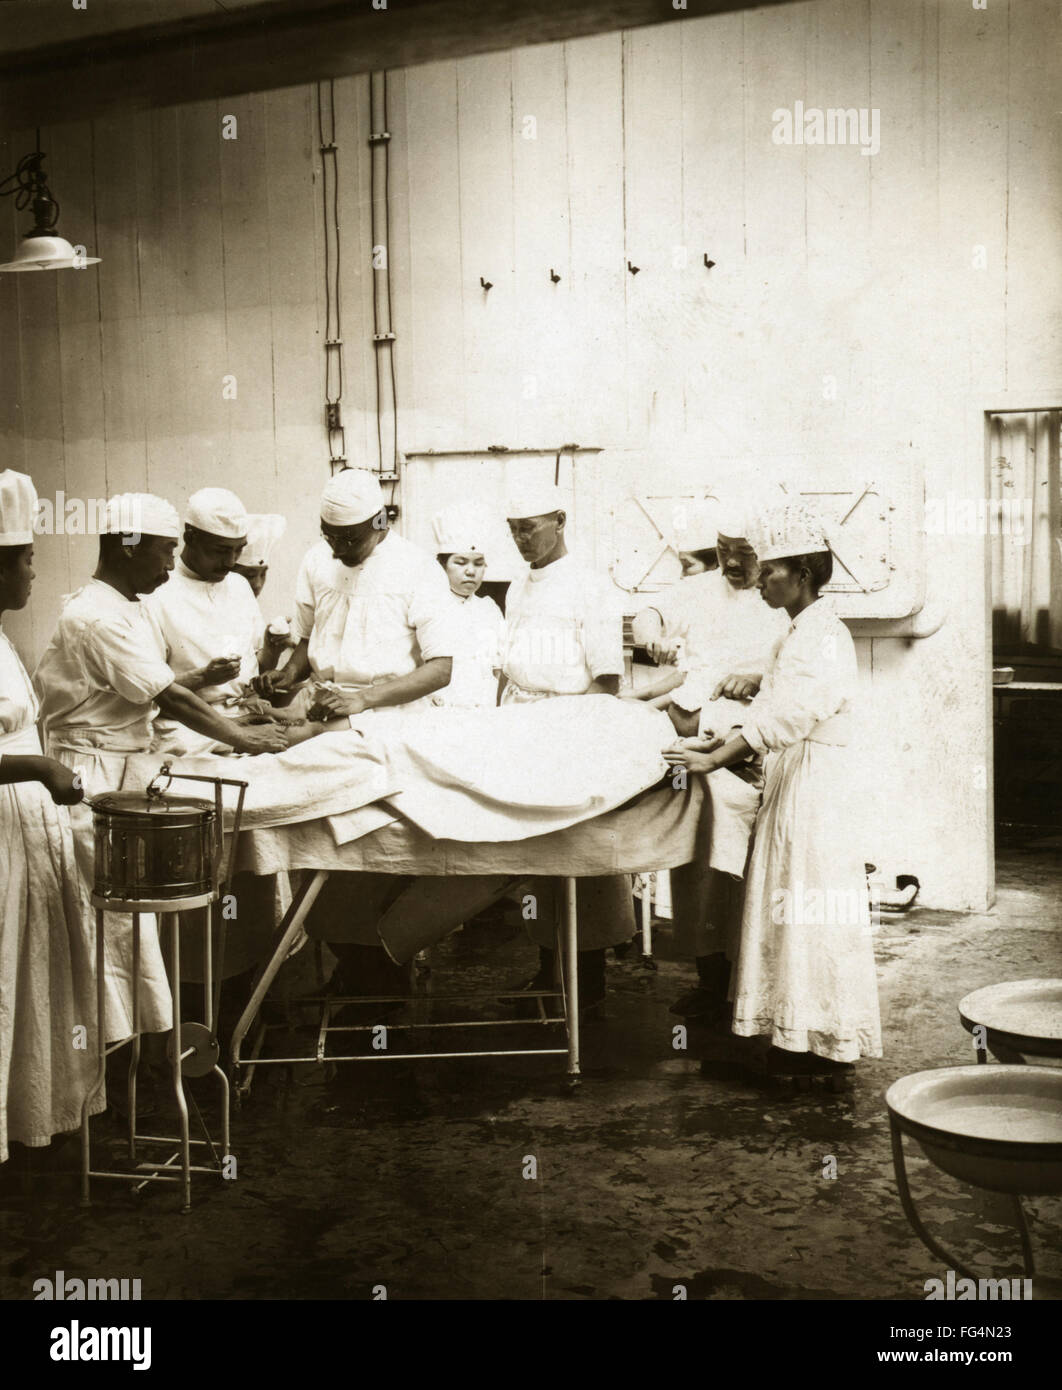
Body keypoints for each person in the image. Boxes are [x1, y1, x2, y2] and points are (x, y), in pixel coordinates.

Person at [33, 492, 288, 1044]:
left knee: (132, 930)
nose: (170, 565)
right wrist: (247, 740)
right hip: (93, 778)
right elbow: (167, 698)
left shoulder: (124, 608)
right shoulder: (96, 616)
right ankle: (120, 1053)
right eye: (163, 552)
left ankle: (146, 1042)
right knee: (112, 928)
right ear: (127, 548)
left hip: (124, 765)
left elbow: (156, 691)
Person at [663, 502, 882, 1077]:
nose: (759, 578)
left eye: (771, 570)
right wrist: (719, 743)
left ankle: (822, 1048)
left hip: (814, 783)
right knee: (793, 906)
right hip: (797, 775)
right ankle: (798, 1039)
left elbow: (784, 719)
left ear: (803, 575)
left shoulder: (821, 635)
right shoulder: (802, 630)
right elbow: (768, 709)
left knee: (808, 905)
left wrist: (712, 760)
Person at [631, 506, 787, 1024]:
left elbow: (799, 676)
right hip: (693, 744)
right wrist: (654, 632)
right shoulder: (700, 590)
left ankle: (747, 982)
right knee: (695, 861)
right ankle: (709, 977)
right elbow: (650, 614)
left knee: (740, 865)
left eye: (744, 553)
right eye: (724, 552)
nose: (734, 564)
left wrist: (758, 677)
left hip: (747, 749)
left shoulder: (780, 598)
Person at [0, 469, 103, 1162]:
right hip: (6, 823)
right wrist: (36, 767)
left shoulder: (3, 639)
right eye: (26, 558)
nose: (35, 572)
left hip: (24, 825)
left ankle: (25, 1110)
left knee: (28, 972)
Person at [499, 483, 633, 1011]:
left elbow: (607, 680)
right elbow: (506, 666)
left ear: (559, 520)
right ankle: (548, 967)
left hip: (572, 727)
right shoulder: (516, 588)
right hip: (522, 723)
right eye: (513, 530)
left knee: (578, 853)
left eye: (528, 528)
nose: (521, 539)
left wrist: (580, 742)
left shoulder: (592, 586)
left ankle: (587, 978)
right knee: (537, 858)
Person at [255, 469, 455, 724]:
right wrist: (289, 672)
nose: (337, 550)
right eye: (329, 537)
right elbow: (309, 639)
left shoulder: (418, 568)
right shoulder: (316, 560)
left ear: (380, 522)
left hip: (390, 713)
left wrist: (363, 698)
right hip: (320, 705)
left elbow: (440, 670)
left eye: (349, 540)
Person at [143, 487, 267, 757]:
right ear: (190, 537)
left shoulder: (239, 586)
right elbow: (148, 692)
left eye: (238, 550)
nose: (231, 561)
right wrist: (204, 678)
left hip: (246, 717)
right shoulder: (156, 593)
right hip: (187, 730)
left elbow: (255, 668)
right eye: (221, 550)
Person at [430, 502, 505, 709]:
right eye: (461, 563)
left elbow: (498, 668)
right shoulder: (428, 607)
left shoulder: (489, 609)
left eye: (478, 563)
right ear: (442, 566)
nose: (471, 571)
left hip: (484, 712)